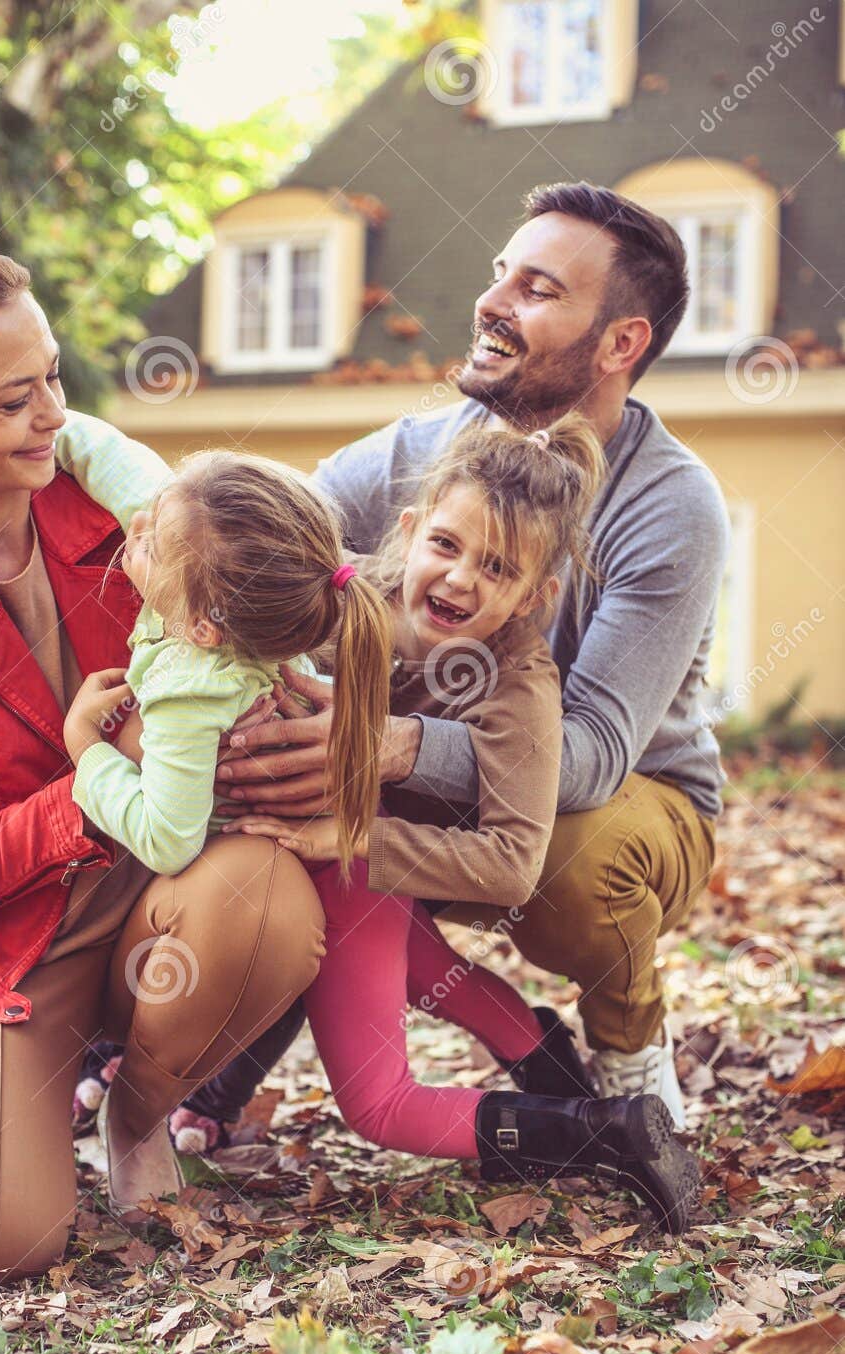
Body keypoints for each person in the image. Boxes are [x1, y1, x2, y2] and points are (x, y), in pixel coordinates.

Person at [0, 244, 325, 1284]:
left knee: (266, 906)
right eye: (13, 398)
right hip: (21, 946)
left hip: (168, 892)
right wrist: (89, 786)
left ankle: (134, 1116)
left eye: (54, 381)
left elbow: (249, 621)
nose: (52, 415)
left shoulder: (133, 514)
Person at [57, 411, 699, 1232]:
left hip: (359, 870)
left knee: (379, 1102)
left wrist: (347, 835)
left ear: (535, 596)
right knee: (412, 961)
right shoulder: (331, 594)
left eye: (495, 568)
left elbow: (508, 867)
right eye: (445, 545)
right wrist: (50, 419)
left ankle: (601, 1134)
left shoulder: (516, 690)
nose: (460, 578)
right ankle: (540, 1054)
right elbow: (158, 496)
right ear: (409, 529)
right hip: (331, 872)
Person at [189, 180, 729, 1132]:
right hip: (448, 781)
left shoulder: (669, 507)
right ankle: (212, 1062)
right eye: (499, 276)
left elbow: (593, 751)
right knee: (273, 786)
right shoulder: (419, 452)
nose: (493, 302)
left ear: (619, 343)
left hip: (624, 801)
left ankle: (627, 1045)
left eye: (537, 288)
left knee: (570, 859)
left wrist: (379, 747)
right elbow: (274, 549)